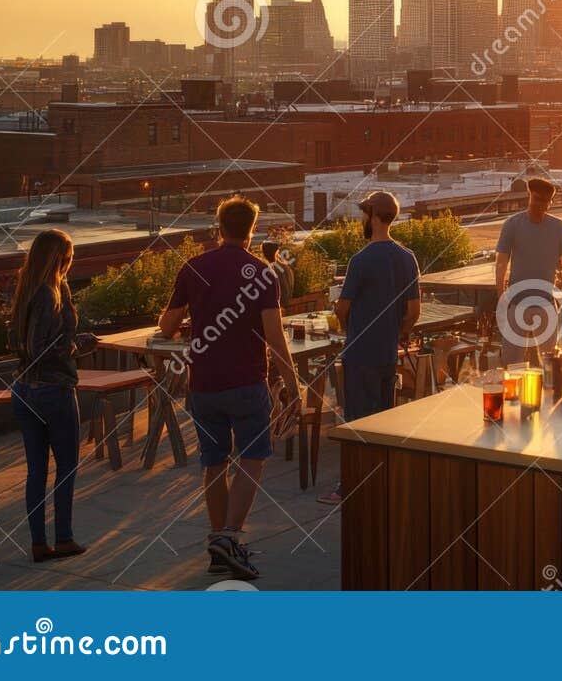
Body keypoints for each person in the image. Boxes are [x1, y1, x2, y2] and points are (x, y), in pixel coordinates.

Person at [159, 195, 300, 581]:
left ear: (218, 228)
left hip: (203, 382)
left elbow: (168, 325)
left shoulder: (194, 267)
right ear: (252, 230)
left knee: (213, 463)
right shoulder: (263, 273)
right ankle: (230, 536)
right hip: (246, 380)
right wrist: (292, 382)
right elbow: (274, 334)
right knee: (253, 458)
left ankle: (220, 543)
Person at [318, 191, 421, 505]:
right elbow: (414, 311)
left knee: (357, 422)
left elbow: (342, 307)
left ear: (374, 216)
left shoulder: (360, 260)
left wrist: (348, 324)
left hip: (360, 352)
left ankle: (350, 485)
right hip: (387, 353)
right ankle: (382, 481)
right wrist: (396, 332)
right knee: (383, 418)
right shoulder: (407, 258)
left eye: (364, 213)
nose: (362, 219)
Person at [8, 228, 96, 563]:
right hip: (52, 390)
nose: (70, 264)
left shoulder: (28, 290)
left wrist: (76, 338)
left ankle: (38, 543)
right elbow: (40, 348)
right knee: (67, 466)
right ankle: (63, 538)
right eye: (67, 257)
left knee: (36, 471)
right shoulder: (49, 293)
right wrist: (77, 345)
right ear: (57, 258)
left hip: (24, 389)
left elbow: (21, 343)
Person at [495, 177, 562, 364]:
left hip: (546, 303)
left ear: (550, 202)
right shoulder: (512, 224)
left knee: (549, 361)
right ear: (529, 197)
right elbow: (501, 264)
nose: (541, 204)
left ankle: (548, 392)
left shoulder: (559, 227)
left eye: (546, 201)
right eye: (537, 199)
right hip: (516, 304)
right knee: (512, 361)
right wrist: (501, 295)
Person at [261, 240, 295, 304]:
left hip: (277, 305)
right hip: (288, 302)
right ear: (277, 251)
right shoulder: (286, 267)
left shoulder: (269, 269)